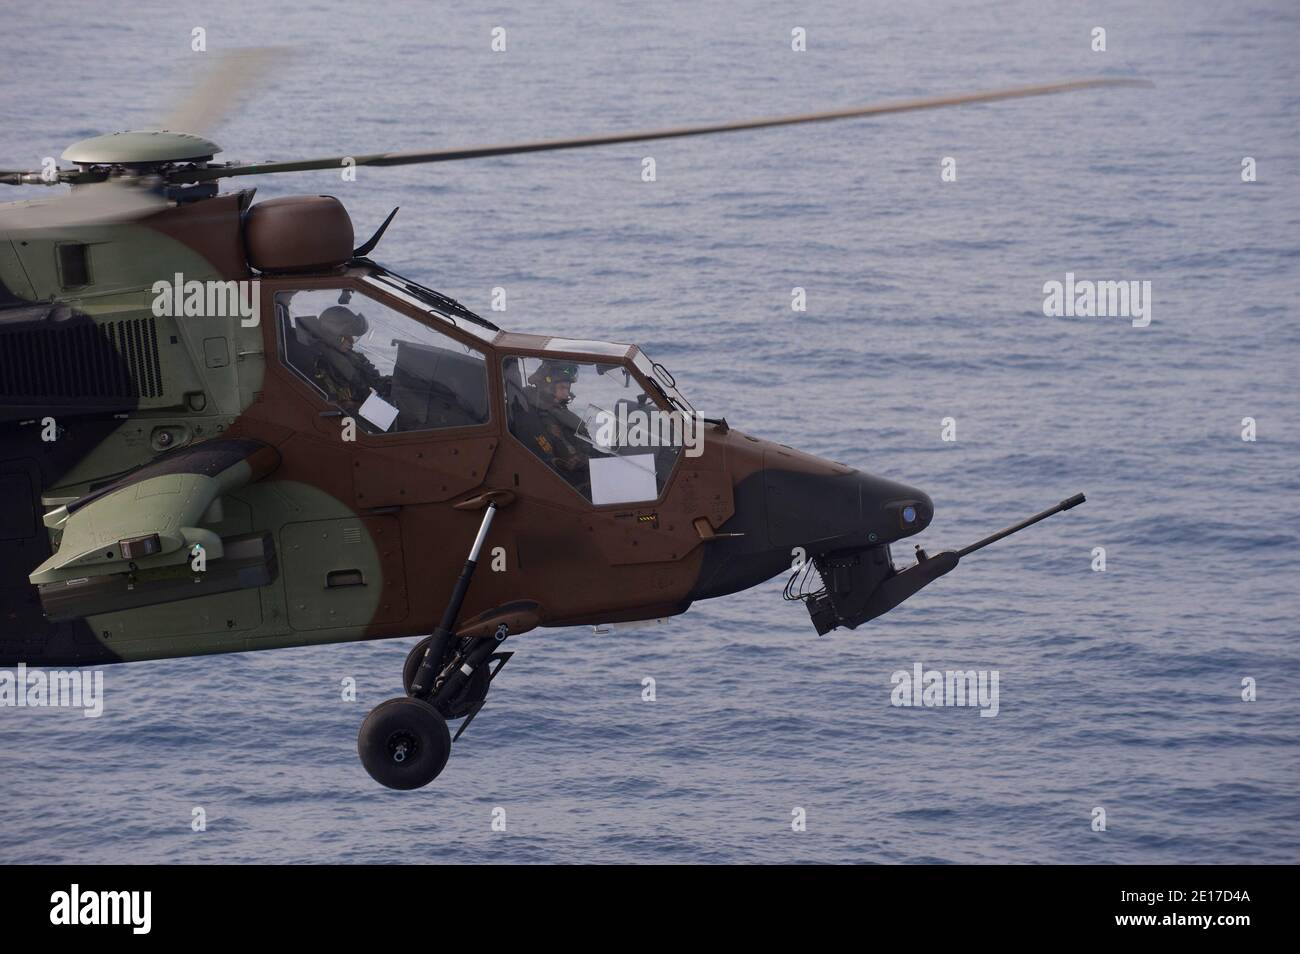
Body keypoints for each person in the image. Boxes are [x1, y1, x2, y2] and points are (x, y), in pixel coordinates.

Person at [514, 360, 592, 491]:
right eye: (562, 387)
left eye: (567, 388)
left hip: (582, 473)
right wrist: (573, 461)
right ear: (547, 385)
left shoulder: (555, 412)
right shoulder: (533, 415)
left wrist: (585, 457)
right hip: (566, 485)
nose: (566, 393)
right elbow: (553, 458)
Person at [307, 305, 391, 412]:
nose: (351, 342)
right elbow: (332, 404)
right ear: (333, 334)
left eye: (353, 337)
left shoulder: (353, 358)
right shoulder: (319, 360)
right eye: (348, 336)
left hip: (369, 409)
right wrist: (357, 407)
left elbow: (375, 380)